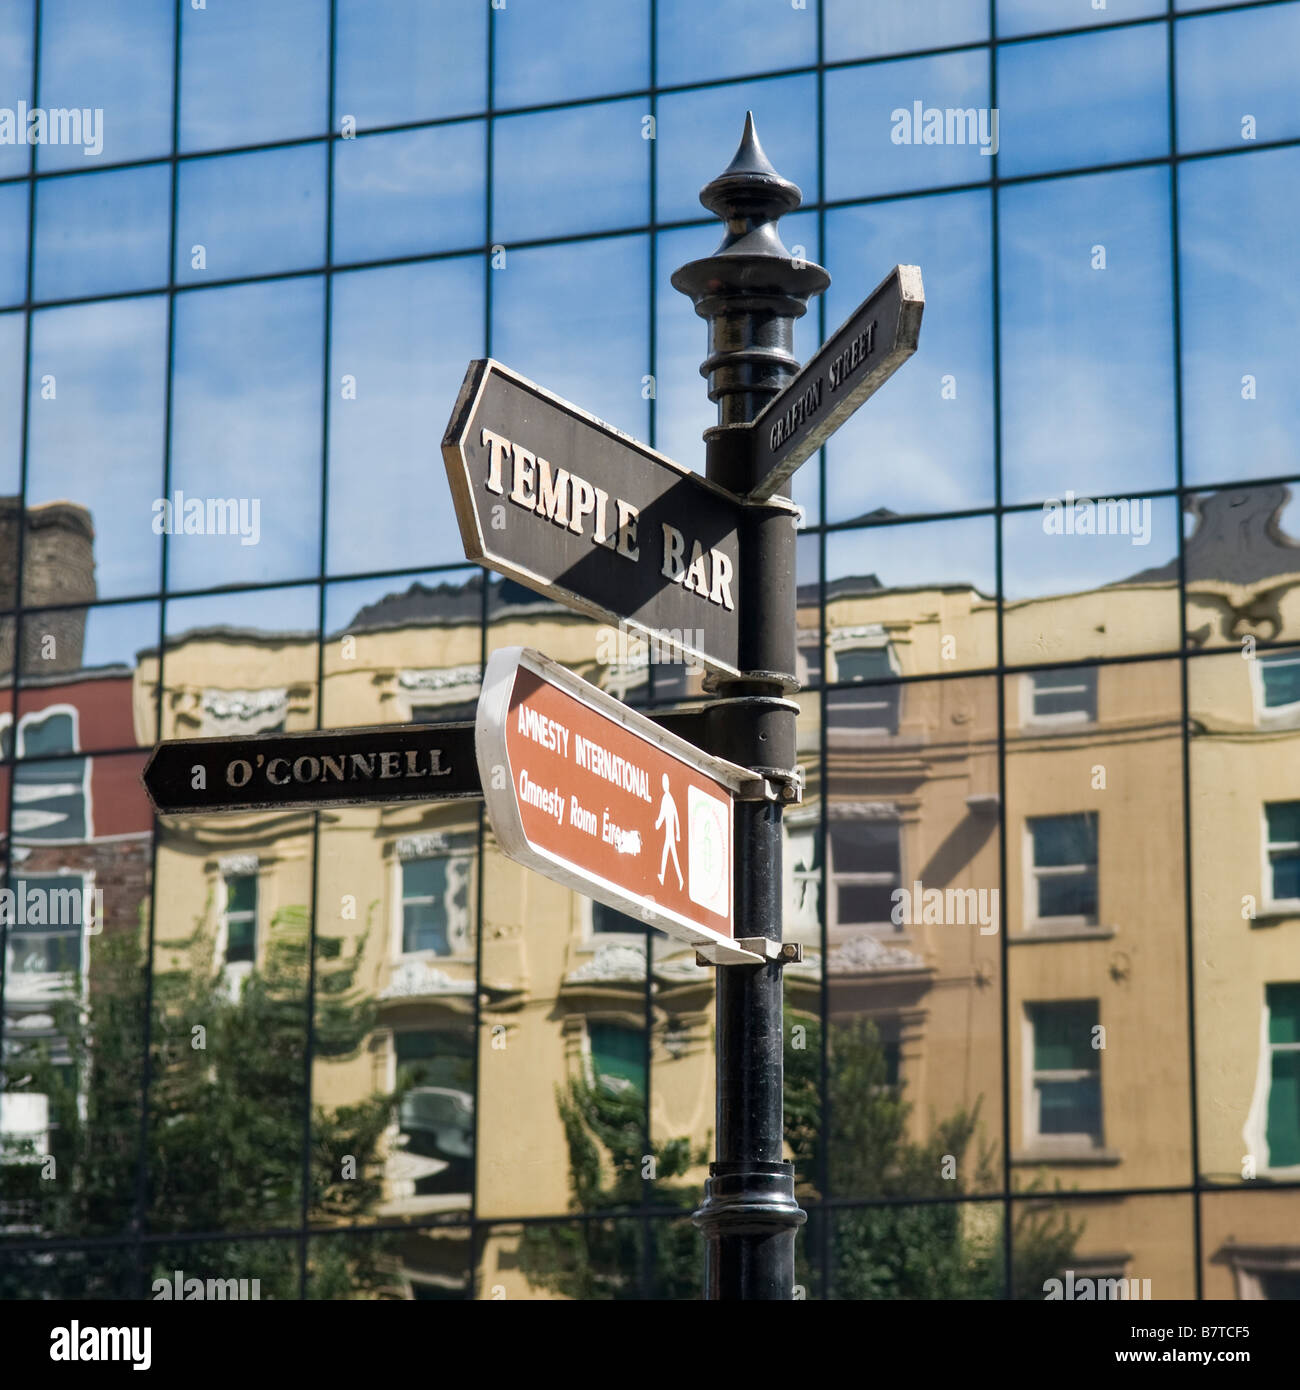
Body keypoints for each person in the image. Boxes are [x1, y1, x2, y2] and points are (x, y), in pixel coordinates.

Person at [655, 773, 683, 890]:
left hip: (670, 834)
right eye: (663, 783)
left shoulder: (667, 798)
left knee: (670, 855)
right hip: (669, 833)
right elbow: (668, 814)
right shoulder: (668, 797)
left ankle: (679, 879)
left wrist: (657, 823)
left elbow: (665, 814)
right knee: (669, 855)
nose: (664, 785)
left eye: (665, 782)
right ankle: (678, 879)